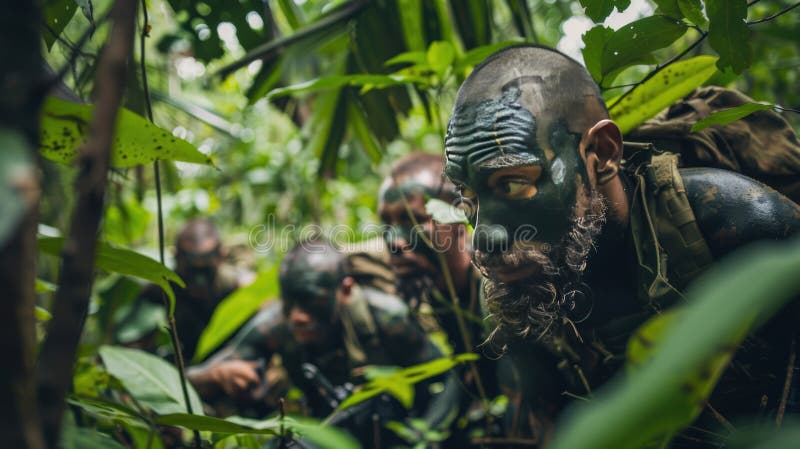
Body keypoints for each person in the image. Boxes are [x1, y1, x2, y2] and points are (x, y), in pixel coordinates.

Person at [442, 44, 800, 447]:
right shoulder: (516, 293)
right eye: (467, 196)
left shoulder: (729, 220)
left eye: (512, 184)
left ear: (603, 153)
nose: (482, 238)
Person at [187, 237, 441, 423]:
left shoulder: (385, 317)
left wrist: (426, 436)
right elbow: (186, 381)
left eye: (312, 302)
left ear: (345, 290)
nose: (297, 317)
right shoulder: (276, 324)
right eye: (290, 302)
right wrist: (216, 375)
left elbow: (447, 378)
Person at [378, 153, 513, 443]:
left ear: (458, 217)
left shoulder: (500, 286)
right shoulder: (433, 294)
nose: (395, 241)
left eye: (412, 219)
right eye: (386, 223)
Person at [132, 218, 253, 360]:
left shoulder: (238, 285)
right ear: (177, 258)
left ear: (221, 255)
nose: (199, 280)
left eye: (206, 269)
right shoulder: (160, 290)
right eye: (191, 270)